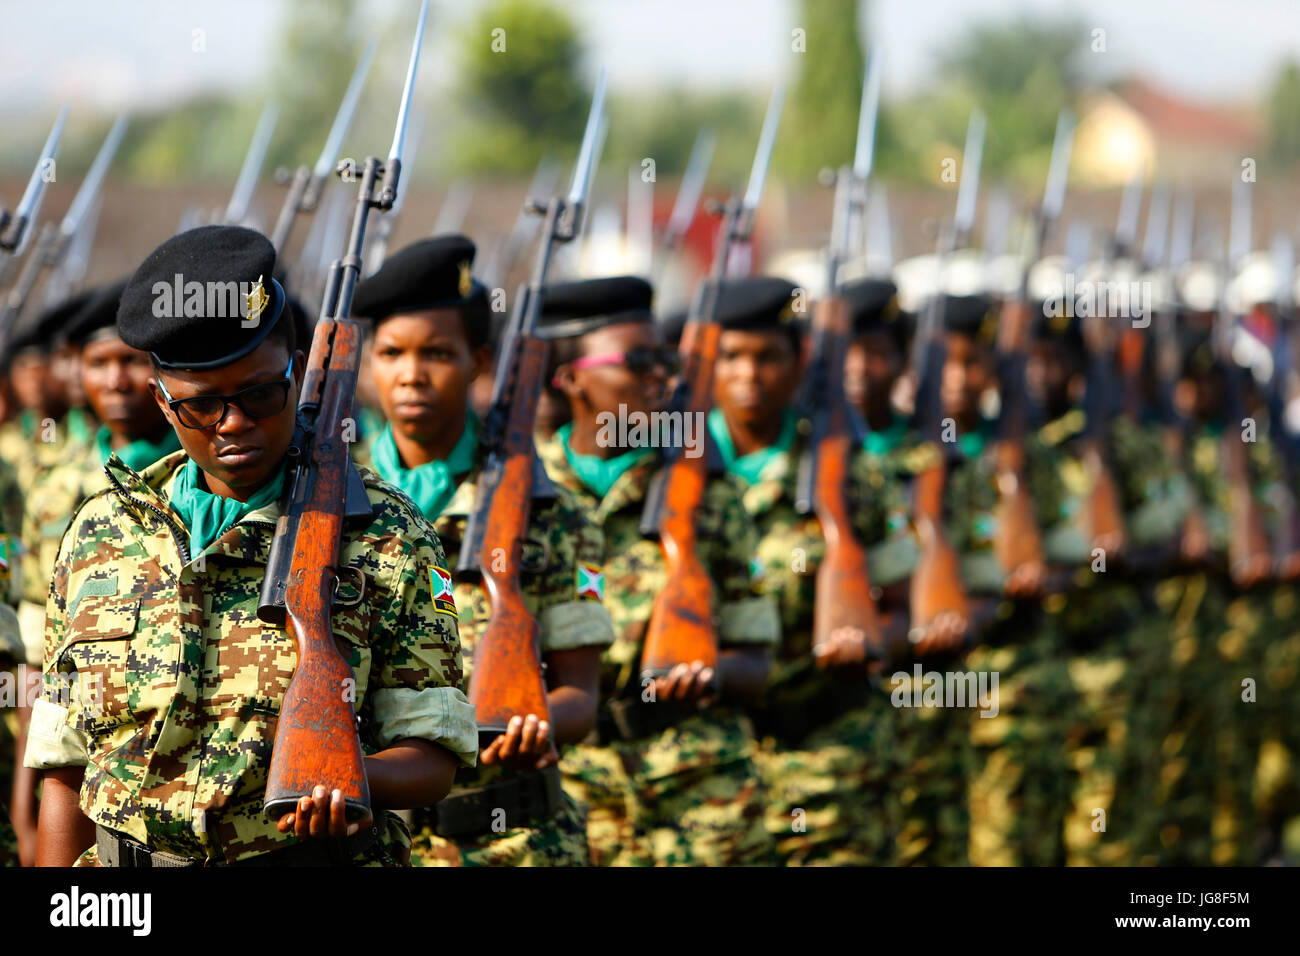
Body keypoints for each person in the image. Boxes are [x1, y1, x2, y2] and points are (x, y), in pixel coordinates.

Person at [24, 225, 476, 867]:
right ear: (162, 399)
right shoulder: (100, 532)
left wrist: (342, 777)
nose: (234, 423)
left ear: (295, 372)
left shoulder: (384, 532)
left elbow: (432, 753)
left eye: (260, 394)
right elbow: (65, 761)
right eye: (202, 407)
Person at [352, 235, 616, 866]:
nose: (411, 374)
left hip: (518, 841)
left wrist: (540, 723)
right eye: (391, 353)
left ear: (480, 361)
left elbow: (582, 688)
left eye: (438, 353)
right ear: (369, 365)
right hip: (379, 844)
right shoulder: (331, 505)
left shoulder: (546, 511)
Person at [537, 275, 781, 866]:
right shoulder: (521, 497)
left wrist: (707, 670)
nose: (660, 378)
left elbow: (757, 657)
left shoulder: (705, 493)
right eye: (638, 361)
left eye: (665, 360)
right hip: (566, 795)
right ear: (571, 378)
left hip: (698, 785)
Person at [706, 275, 910, 865]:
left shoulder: (849, 474)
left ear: (800, 366)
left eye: (768, 357)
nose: (749, 375)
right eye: (732, 357)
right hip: (707, 772)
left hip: (829, 756)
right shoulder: (677, 479)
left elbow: (905, 611)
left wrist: (867, 640)